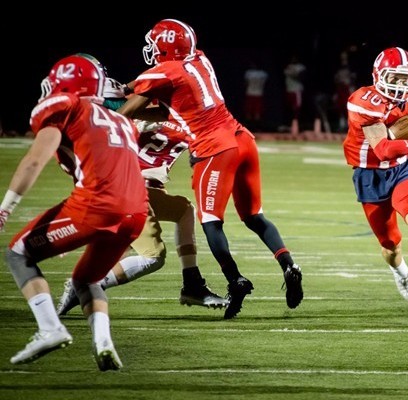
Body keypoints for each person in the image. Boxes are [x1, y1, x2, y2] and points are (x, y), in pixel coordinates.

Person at [117, 19, 304, 320]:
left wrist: (107, 101)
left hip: (215, 148)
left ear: (165, 47)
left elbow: (126, 106)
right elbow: (165, 98)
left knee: (211, 222)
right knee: (255, 216)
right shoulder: (199, 58)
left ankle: (235, 280)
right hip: (242, 138)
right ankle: (289, 265)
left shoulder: (165, 70)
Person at [1, 54, 147, 370]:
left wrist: (5, 208)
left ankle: (50, 328)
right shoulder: (122, 121)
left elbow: (34, 161)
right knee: (87, 278)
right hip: (135, 212)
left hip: (96, 206)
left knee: (17, 252)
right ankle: (104, 345)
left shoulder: (66, 106)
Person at [56, 76, 228, 316]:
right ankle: (84, 285)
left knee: (183, 210)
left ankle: (193, 284)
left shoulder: (172, 114)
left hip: (141, 188)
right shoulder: (166, 114)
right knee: (152, 257)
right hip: (128, 188)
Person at [342, 47, 408, 316]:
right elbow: (382, 149)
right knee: (390, 246)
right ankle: (401, 272)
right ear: (378, 75)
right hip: (369, 174)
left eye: (406, 79)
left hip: (401, 170)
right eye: (395, 78)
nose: (401, 85)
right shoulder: (364, 102)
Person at [243, 61, 269, 130]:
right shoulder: (263, 74)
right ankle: (256, 128)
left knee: (251, 112)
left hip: (251, 93)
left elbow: (245, 83)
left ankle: (252, 128)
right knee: (255, 112)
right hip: (258, 93)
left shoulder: (249, 73)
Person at [283, 55, 306, 129]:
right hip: (289, 89)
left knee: (297, 108)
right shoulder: (288, 66)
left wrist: (293, 73)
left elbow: (300, 75)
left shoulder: (301, 67)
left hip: (296, 89)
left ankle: (297, 126)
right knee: (289, 107)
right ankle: (290, 125)